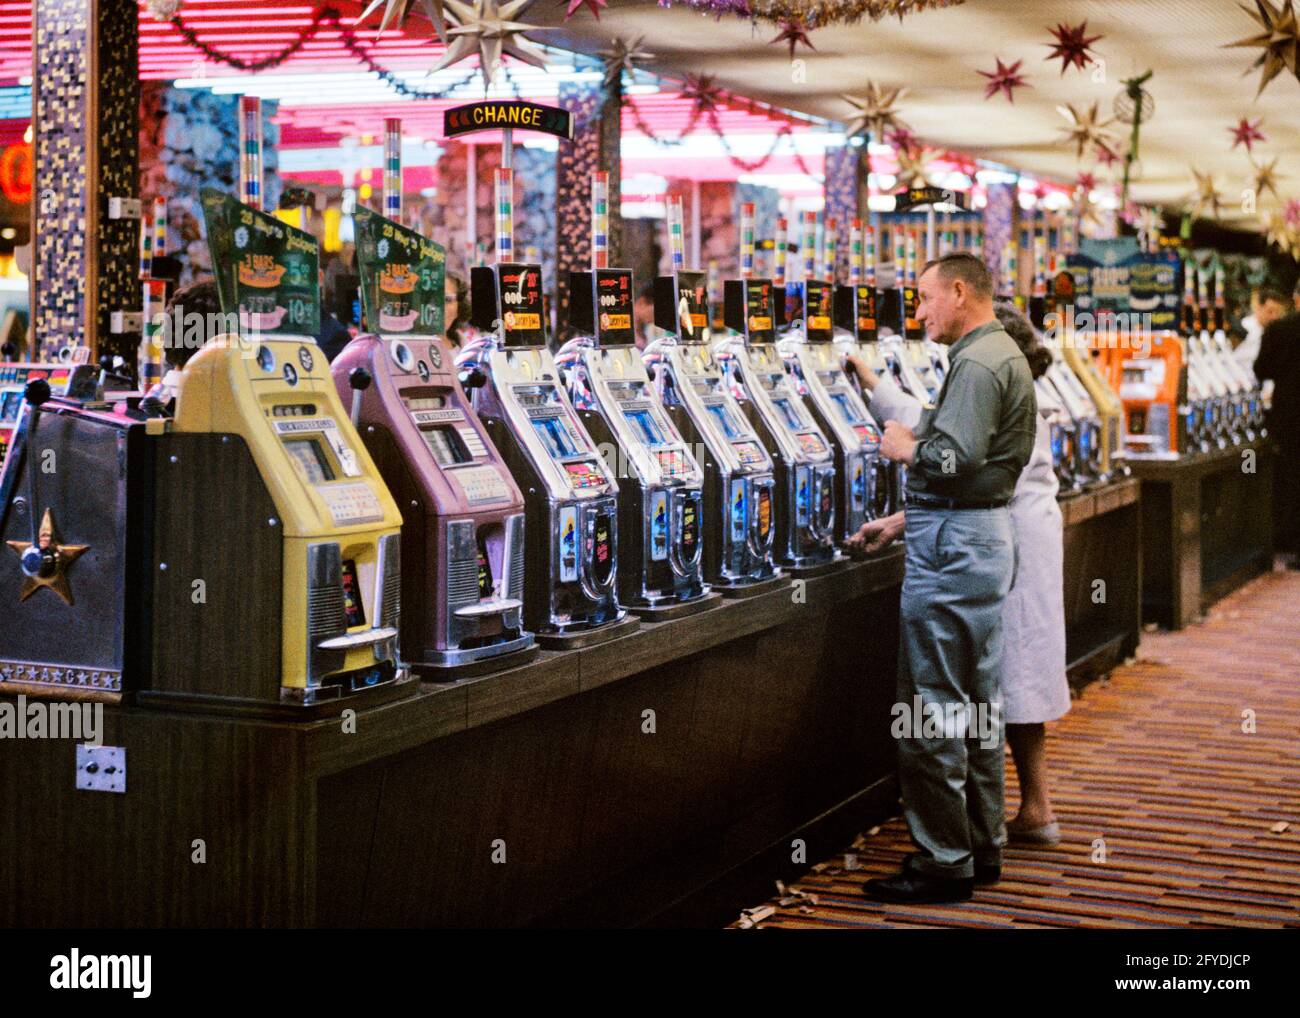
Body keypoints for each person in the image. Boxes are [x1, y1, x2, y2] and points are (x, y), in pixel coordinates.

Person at [843, 252, 1036, 904]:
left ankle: (941, 861)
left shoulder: (978, 362)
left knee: (930, 709)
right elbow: (972, 465)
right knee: (979, 705)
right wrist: (903, 520)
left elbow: (953, 455)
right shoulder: (997, 352)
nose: (919, 312)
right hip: (977, 539)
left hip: (955, 554)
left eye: (925, 298)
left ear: (959, 291)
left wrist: (906, 448)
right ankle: (983, 847)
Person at [1254, 301, 1300, 567]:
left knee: (1290, 475)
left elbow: (1262, 369)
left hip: (1289, 415)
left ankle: (1289, 540)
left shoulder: (1279, 329)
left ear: (1295, 299)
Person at [1235, 287, 1289, 370]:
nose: (1274, 317)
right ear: (1258, 308)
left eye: (1278, 313)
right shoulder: (1243, 329)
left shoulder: (1280, 336)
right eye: (1270, 311)